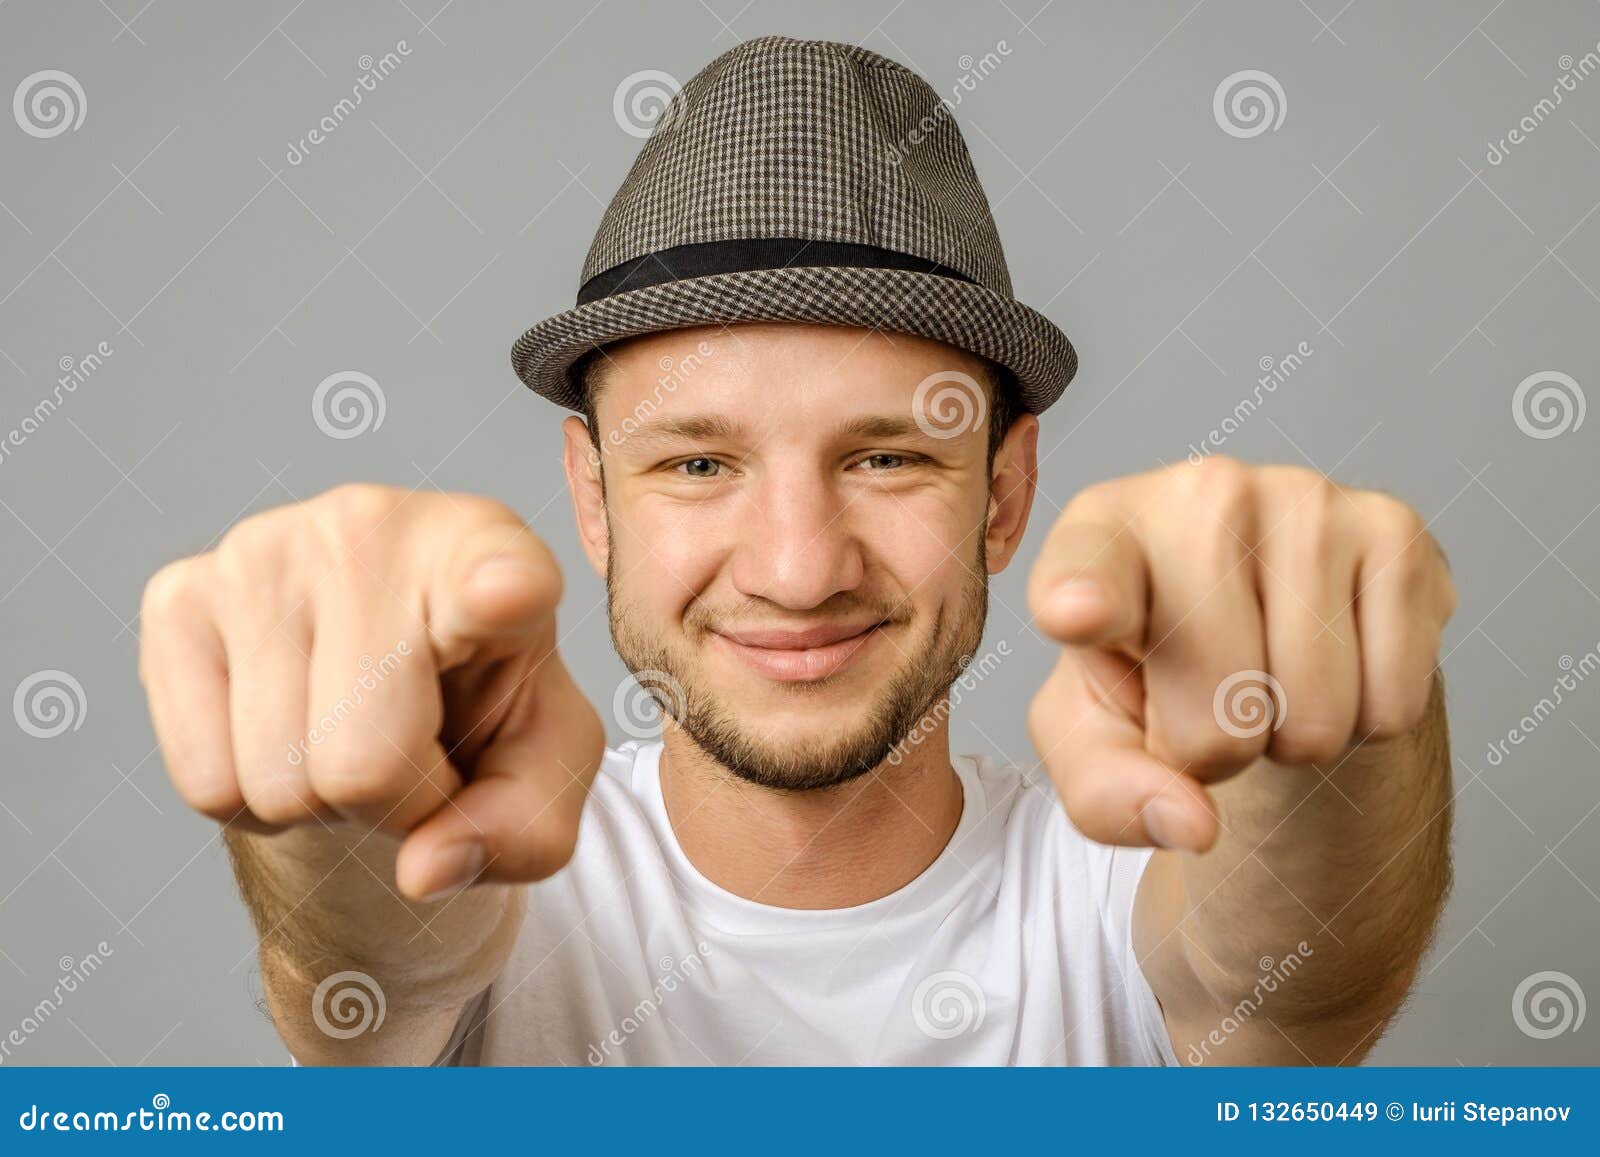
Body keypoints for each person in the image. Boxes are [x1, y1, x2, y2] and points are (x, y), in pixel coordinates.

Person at [137, 37, 1455, 1066]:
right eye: (698, 463)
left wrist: (1315, 733)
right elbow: (373, 969)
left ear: (1005, 492)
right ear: (594, 503)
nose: (797, 563)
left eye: (886, 456)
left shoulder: (1120, 883)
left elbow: (1299, 963)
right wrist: (344, 794)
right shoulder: (517, 886)